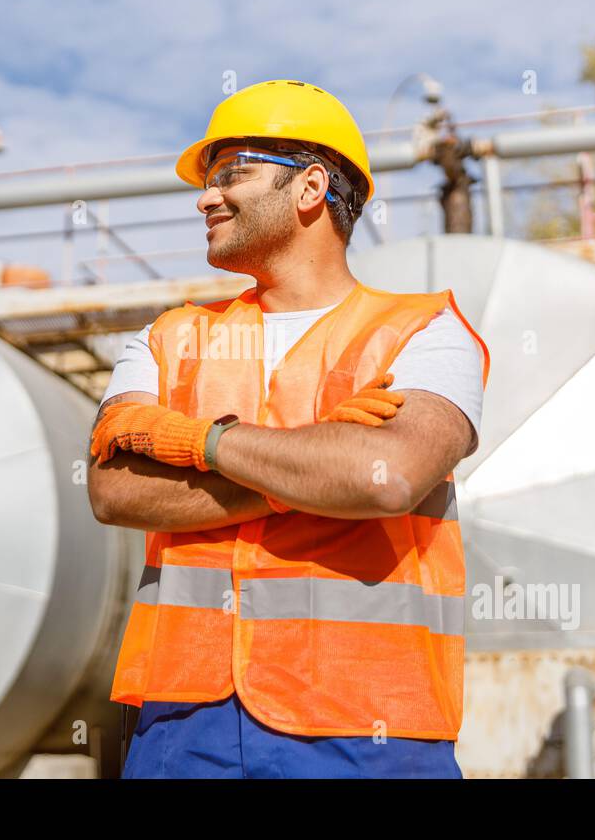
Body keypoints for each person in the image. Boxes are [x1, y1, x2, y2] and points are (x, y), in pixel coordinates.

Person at [87, 79, 488, 778]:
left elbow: (386, 477)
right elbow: (113, 492)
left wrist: (196, 442)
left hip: (370, 726)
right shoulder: (168, 336)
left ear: (309, 188)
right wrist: (319, 458)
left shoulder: (425, 330)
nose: (205, 197)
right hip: (180, 726)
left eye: (230, 173)